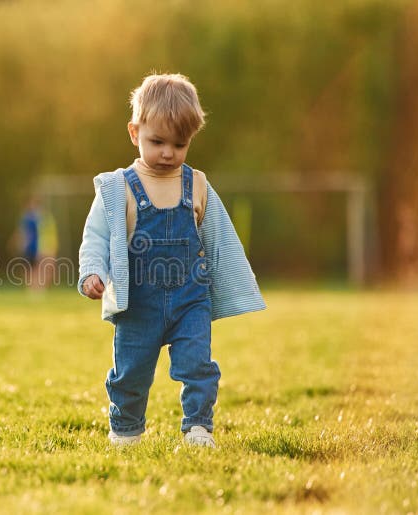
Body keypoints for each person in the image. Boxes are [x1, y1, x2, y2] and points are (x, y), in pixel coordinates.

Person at [77, 73, 266, 447]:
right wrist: (92, 271)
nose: (168, 153)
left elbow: (220, 240)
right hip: (137, 304)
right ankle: (126, 430)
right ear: (135, 133)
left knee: (198, 366)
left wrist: (234, 289)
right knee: (130, 373)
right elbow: (96, 236)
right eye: (157, 142)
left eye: (179, 145)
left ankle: (198, 427)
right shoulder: (118, 188)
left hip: (189, 301)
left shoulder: (197, 185)